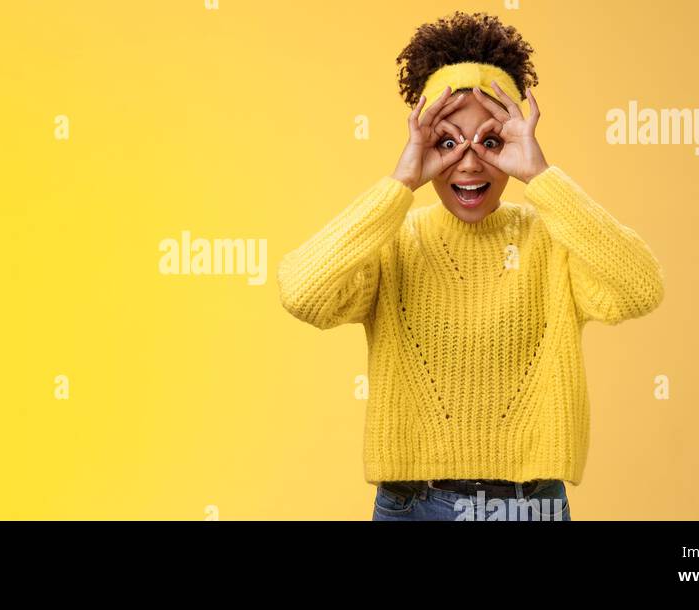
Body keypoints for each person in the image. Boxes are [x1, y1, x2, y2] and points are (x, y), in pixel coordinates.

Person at [276, 12, 665, 521]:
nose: (468, 162)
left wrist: (542, 176)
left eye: (491, 141)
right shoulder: (394, 242)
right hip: (412, 505)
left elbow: (641, 287)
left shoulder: (554, 238)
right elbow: (301, 291)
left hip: (531, 508)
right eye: (446, 142)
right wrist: (399, 184)